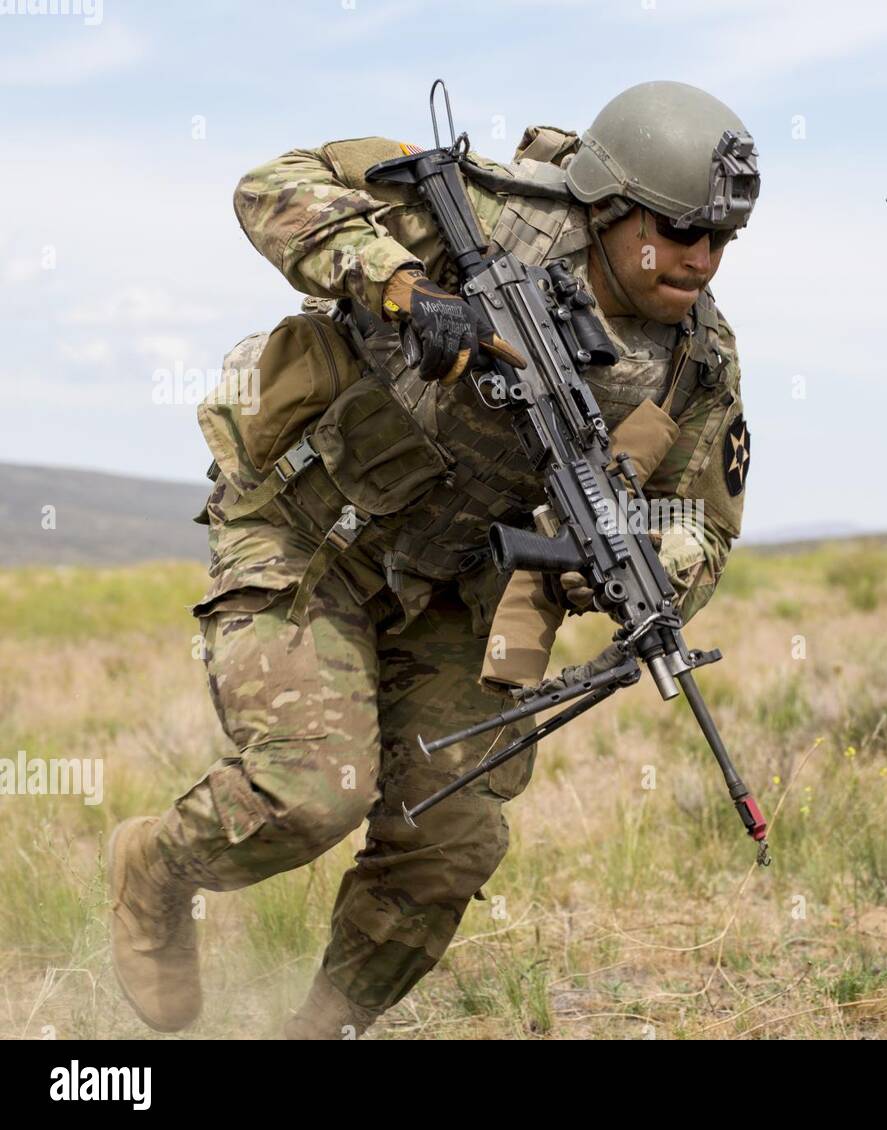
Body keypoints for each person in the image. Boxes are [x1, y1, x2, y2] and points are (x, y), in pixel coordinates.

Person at [106, 80, 759, 1039]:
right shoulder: (487, 214)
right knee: (310, 791)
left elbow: (705, 524)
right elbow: (269, 184)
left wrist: (644, 561)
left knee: (451, 838)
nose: (699, 258)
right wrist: (399, 284)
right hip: (306, 529)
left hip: (455, 583)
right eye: (678, 229)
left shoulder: (698, 360)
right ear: (610, 205)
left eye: (721, 240)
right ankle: (155, 869)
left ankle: (320, 1028)